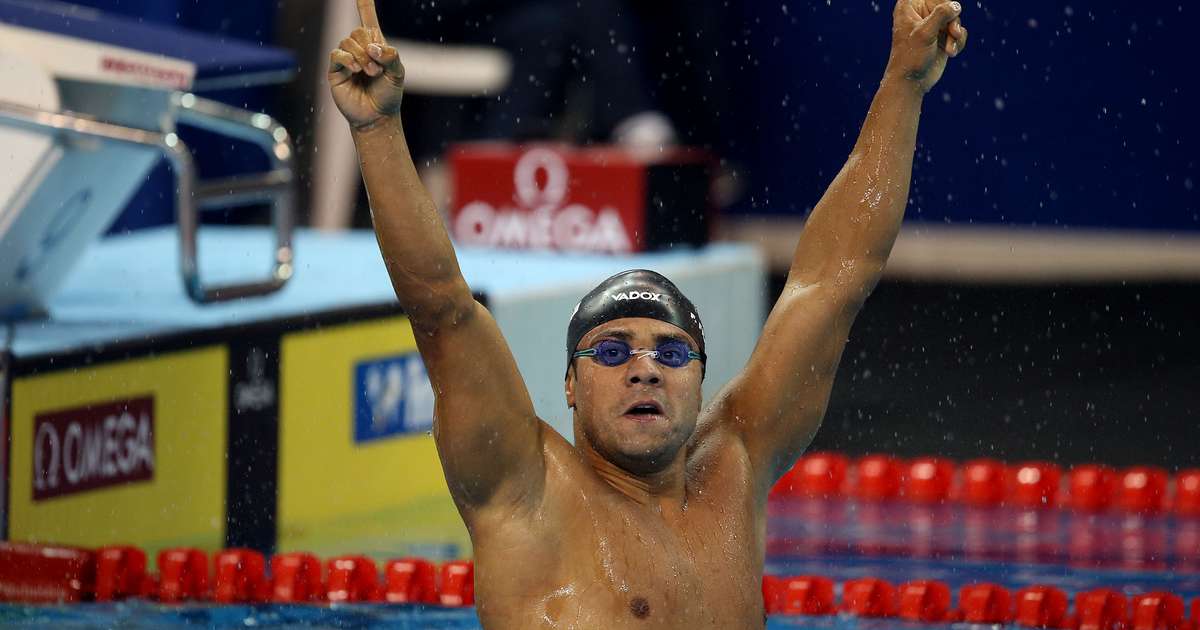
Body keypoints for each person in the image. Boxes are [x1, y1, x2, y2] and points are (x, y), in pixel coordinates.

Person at [328, 0, 967, 627]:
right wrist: (378, 131)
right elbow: (441, 307)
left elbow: (833, 281)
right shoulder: (524, 489)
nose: (645, 370)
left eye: (671, 352)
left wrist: (903, 81)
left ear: (702, 378)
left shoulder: (734, 472)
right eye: (611, 352)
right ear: (570, 387)